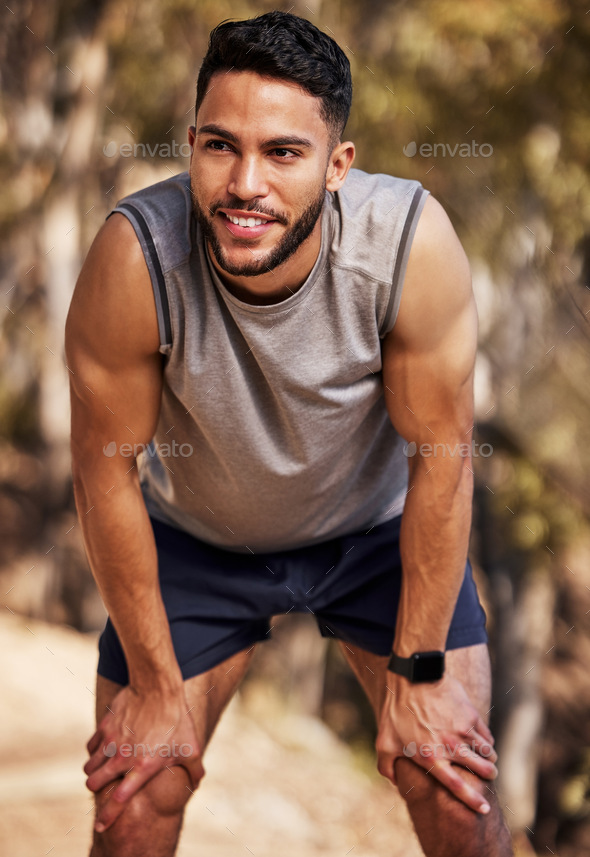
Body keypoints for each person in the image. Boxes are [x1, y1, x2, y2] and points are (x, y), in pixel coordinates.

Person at [66, 10, 513, 857]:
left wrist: (420, 675)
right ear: (191, 142)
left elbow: (443, 461)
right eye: (221, 146)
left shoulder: (407, 248)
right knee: (136, 792)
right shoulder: (136, 258)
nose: (245, 184)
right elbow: (105, 474)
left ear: (338, 165)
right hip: (198, 542)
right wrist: (157, 685)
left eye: (283, 152)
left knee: (448, 781)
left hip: (379, 536)